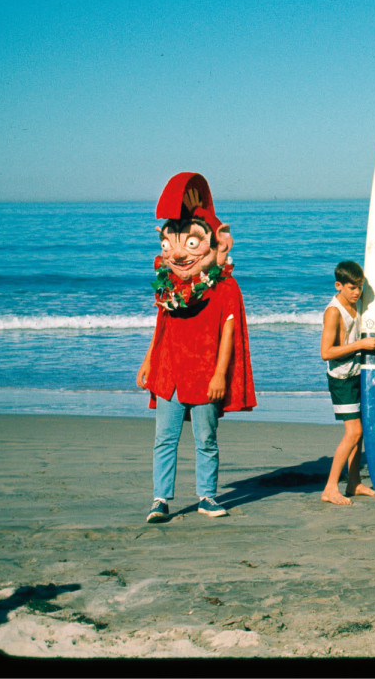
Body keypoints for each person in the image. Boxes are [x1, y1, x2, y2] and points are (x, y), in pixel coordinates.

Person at [136, 172, 256, 524]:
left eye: (188, 243)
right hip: (169, 371)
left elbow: (229, 333)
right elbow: (161, 325)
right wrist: (147, 362)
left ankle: (207, 496)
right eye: (168, 243)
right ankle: (160, 500)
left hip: (205, 376)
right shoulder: (168, 286)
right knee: (165, 438)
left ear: (215, 244)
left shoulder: (224, 287)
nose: (176, 252)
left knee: (205, 438)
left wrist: (221, 374)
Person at [319, 260, 375, 505]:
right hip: (341, 379)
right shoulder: (333, 312)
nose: (357, 292)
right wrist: (360, 345)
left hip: (357, 375)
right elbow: (326, 352)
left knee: (360, 433)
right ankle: (330, 488)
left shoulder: (357, 303)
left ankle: (353, 482)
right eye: (352, 288)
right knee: (353, 432)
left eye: (360, 287)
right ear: (339, 285)